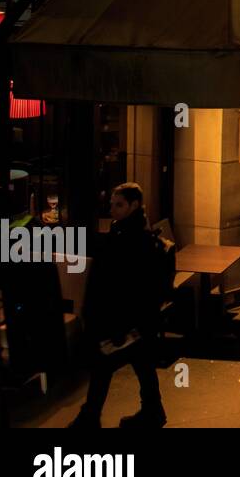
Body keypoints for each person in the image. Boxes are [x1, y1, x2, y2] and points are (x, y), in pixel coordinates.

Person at [69, 182, 166, 428]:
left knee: (104, 366)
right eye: (112, 204)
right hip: (137, 321)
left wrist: (115, 326)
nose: (112, 209)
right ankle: (152, 411)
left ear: (134, 205)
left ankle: (90, 417)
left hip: (124, 321)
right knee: (141, 364)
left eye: (119, 205)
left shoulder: (129, 238)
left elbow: (121, 286)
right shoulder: (132, 233)